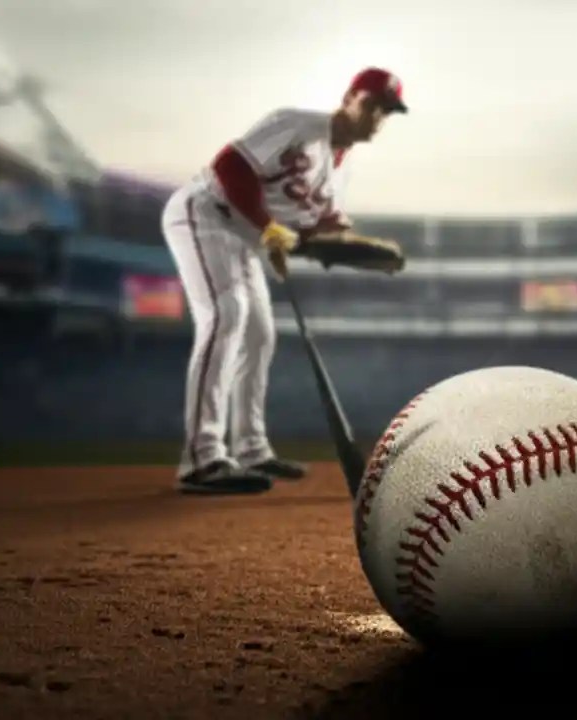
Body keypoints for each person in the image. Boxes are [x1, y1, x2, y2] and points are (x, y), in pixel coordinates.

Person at [159, 68, 408, 494]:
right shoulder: (297, 125)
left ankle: (252, 449)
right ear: (348, 98)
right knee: (226, 317)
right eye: (371, 105)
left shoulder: (339, 172)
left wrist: (355, 251)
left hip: (245, 236)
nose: (376, 118)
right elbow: (231, 167)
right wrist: (267, 226)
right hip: (204, 213)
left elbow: (318, 231)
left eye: (386, 112)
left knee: (260, 336)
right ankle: (202, 459)